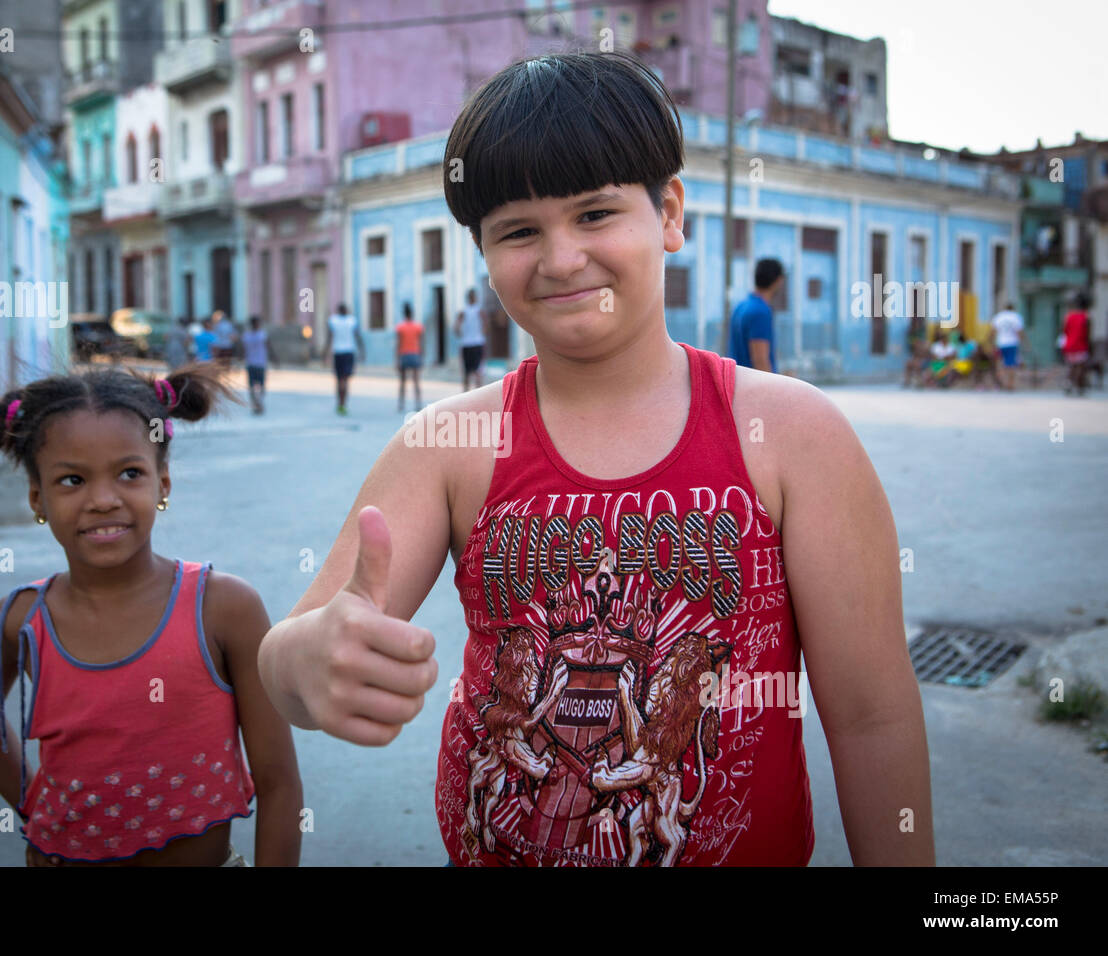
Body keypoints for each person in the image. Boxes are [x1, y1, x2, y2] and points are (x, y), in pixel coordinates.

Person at [256, 52, 933, 867]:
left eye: (595, 213)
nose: (562, 258)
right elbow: (291, 657)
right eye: (518, 231)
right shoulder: (447, 445)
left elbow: (871, 720)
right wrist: (305, 660)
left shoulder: (793, 435)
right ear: (482, 251)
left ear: (670, 214)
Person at [0, 362, 302, 866]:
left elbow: (279, 783)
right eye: (72, 479)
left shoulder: (224, 610)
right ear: (38, 499)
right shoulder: (18, 624)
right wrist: (33, 806)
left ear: (163, 483)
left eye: (129, 473)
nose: (102, 500)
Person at [728, 259, 784, 373]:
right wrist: (771, 390)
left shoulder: (741, 306)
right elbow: (760, 361)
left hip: (736, 380)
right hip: (752, 387)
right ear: (778, 280)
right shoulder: (760, 312)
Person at [324, 303, 365, 416]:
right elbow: (358, 337)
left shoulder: (333, 321)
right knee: (345, 380)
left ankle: (339, 404)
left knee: (339, 380)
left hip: (338, 352)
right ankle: (344, 404)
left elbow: (329, 338)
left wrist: (325, 354)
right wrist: (362, 351)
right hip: (349, 352)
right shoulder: (352, 321)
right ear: (346, 310)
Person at [395, 302, 425, 412]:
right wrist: (422, 356)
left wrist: (397, 359)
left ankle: (401, 404)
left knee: (402, 381)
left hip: (404, 354)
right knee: (416, 380)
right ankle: (418, 404)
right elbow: (421, 343)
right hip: (415, 354)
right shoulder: (418, 326)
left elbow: (398, 344)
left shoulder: (400, 327)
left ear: (404, 313)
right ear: (412, 313)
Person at [989, 303, 1026, 391]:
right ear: (1013, 308)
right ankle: (1010, 384)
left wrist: (991, 342)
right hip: (1012, 343)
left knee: (1002, 363)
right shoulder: (1016, 317)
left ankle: (1003, 383)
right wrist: (1023, 342)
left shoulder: (999, 316)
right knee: (1011, 364)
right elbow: (1019, 331)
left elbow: (993, 331)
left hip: (1001, 343)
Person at [1060, 293, 1091, 396]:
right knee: (1080, 367)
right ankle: (1079, 386)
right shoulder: (1085, 317)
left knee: (1071, 366)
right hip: (1080, 345)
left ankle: (1068, 383)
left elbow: (1064, 330)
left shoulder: (1069, 316)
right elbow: (1087, 332)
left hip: (1069, 345)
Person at [457, 288, 487, 390]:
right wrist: (480, 334)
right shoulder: (479, 311)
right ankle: (479, 395)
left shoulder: (463, 312)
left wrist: (463, 335)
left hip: (466, 344)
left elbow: (456, 328)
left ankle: (466, 394)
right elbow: (486, 326)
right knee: (478, 371)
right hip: (477, 343)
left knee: (466, 372)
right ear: (475, 297)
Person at [242, 315, 271, 415]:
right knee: (252, 386)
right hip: (251, 363)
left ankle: (258, 403)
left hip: (260, 363)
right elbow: (243, 349)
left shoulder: (262, 334)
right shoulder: (248, 335)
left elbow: (268, 346)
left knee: (261, 386)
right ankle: (256, 404)